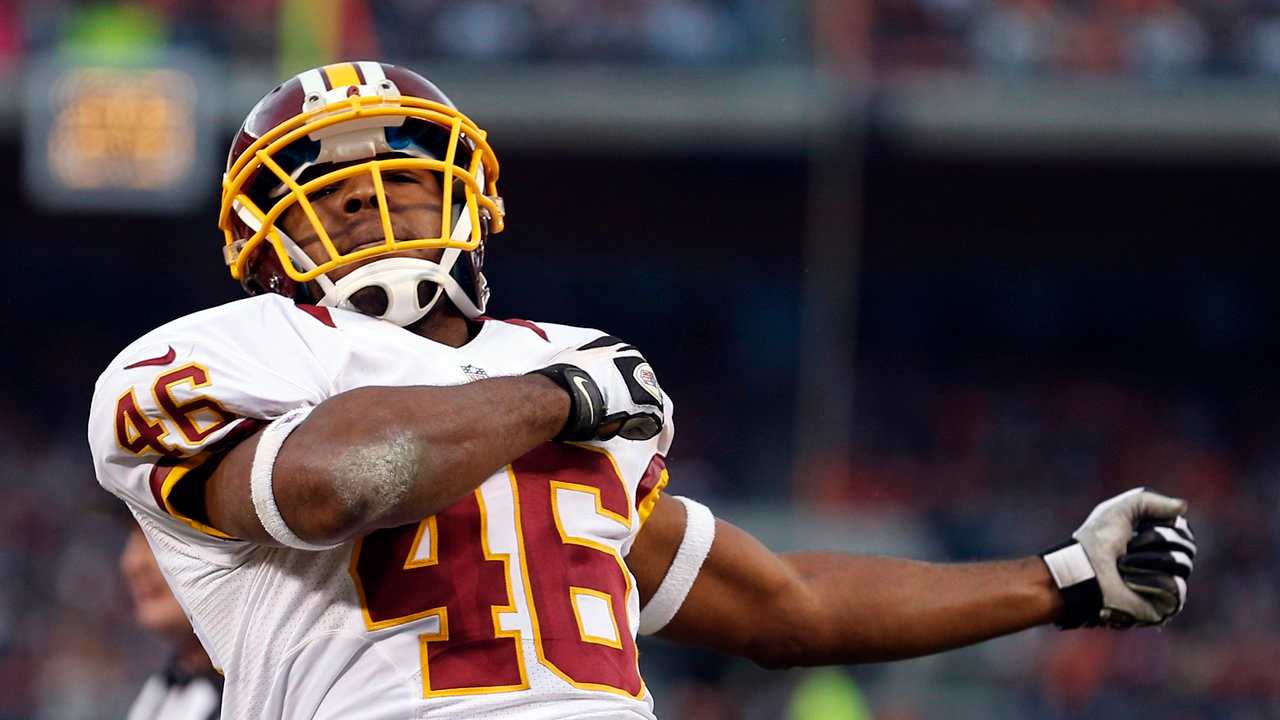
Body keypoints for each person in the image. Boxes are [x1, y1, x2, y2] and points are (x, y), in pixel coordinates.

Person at [89, 61, 1197, 719]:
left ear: (469, 193)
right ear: (260, 236)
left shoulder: (571, 366)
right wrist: (556, 399)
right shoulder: (225, 353)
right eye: (322, 185)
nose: (364, 199)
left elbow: (785, 609)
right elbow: (338, 484)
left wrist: (1057, 581)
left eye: (402, 173)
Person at [119, 521, 224, 720]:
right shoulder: (159, 690)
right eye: (133, 538)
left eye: (156, 537)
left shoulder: (270, 691)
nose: (132, 563)